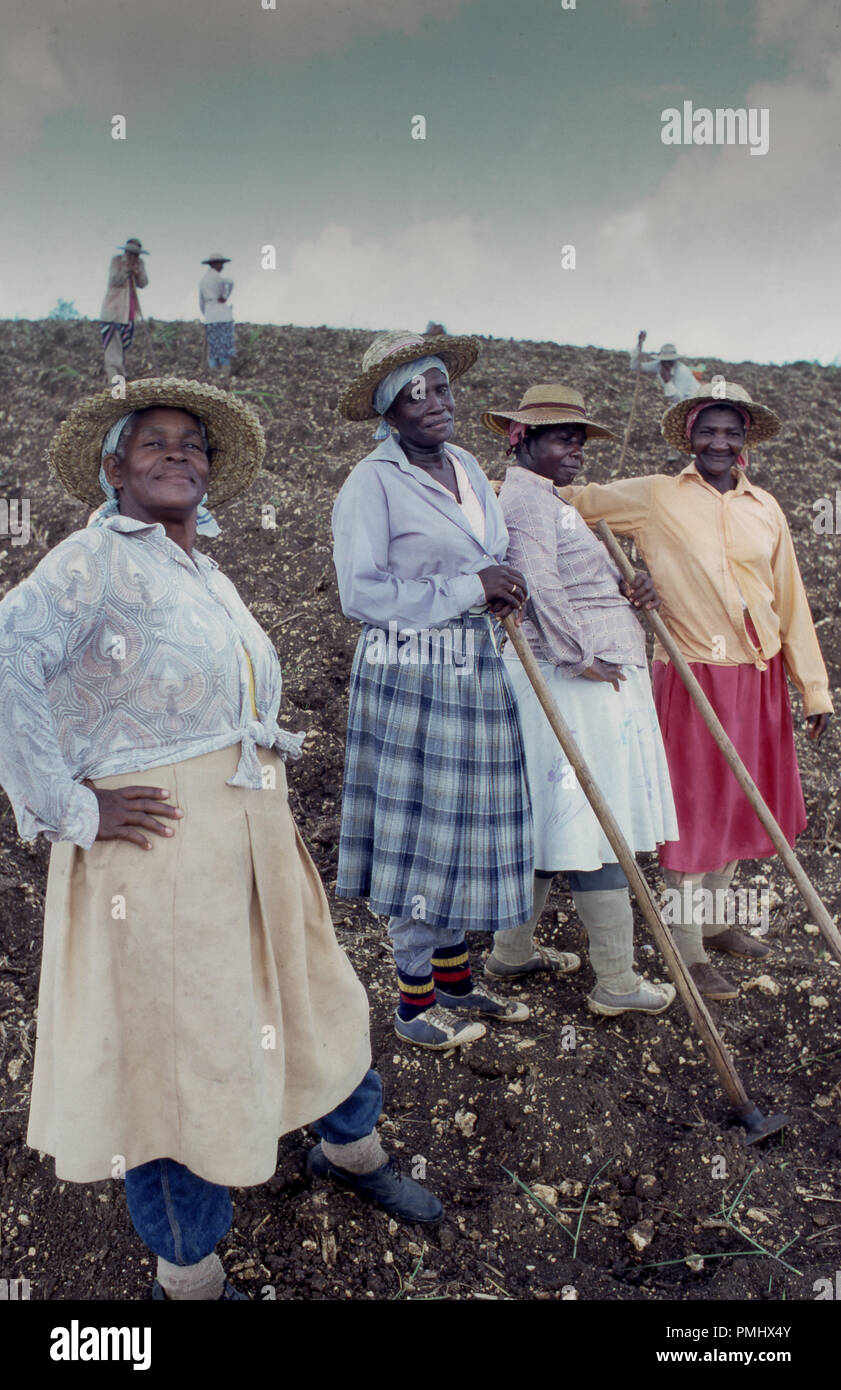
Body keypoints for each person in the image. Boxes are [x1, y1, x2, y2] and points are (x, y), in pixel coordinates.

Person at [0, 378, 440, 1302]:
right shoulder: (91, 563)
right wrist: (74, 809)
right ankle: (187, 1276)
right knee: (175, 1057)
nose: (178, 454)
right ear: (112, 466)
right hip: (156, 855)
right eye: (153, 442)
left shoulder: (204, 568)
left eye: (193, 444)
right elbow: (8, 660)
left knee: (312, 995)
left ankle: (349, 1151)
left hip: (251, 834)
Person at [562, 380, 833, 999]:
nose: (719, 441)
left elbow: (790, 602)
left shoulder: (765, 507)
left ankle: (713, 925)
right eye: (707, 431)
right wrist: (507, 487)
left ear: (744, 442)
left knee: (740, 803)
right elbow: (575, 503)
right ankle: (685, 949)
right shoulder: (656, 497)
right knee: (694, 812)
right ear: (690, 438)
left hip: (757, 679)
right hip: (691, 676)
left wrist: (812, 689)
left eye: (730, 432)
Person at [332, 330, 538, 1051]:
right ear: (389, 413)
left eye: (441, 387)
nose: (435, 402)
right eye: (415, 394)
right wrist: (465, 587)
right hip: (408, 674)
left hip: (473, 667)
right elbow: (360, 593)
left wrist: (505, 585)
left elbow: (496, 553)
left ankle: (455, 982)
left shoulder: (467, 467)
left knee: (464, 825)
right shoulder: (372, 483)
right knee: (421, 834)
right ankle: (413, 1004)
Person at [479, 385, 677, 1016]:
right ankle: (617, 982)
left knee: (554, 816)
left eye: (580, 439)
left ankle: (511, 953)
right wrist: (581, 655)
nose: (576, 451)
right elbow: (534, 583)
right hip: (570, 682)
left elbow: (564, 575)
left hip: (579, 678)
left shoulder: (551, 501)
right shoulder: (529, 501)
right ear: (521, 438)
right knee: (596, 815)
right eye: (564, 438)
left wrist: (625, 587)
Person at [99, 237, 149, 383]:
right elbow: (114, 280)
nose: (133, 256)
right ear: (126, 252)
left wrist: (137, 271)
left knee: (121, 353)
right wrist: (127, 270)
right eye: (131, 253)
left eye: (136, 254)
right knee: (114, 357)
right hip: (113, 313)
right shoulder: (117, 261)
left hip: (130, 315)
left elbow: (144, 283)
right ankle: (117, 393)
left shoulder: (140, 264)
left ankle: (120, 389)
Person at [629, 333, 699, 403]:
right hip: (682, 402)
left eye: (669, 361)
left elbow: (678, 399)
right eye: (664, 361)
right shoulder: (658, 365)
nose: (666, 364)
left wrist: (667, 381)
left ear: (674, 360)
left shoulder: (682, 371)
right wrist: (639, 344)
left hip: (695, 400)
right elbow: (635, 366)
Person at [199, 254, 236, 374]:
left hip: (210, 314)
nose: (223, 267)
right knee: (224, 345)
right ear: (216, 265)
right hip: (222, 314)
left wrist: (206, 314)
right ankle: (224, 373)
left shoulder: (203, 280)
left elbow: (201, 301)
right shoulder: (219, 278)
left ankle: (214, 372)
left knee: (214, 346)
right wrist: (225, 296)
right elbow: (231, 282)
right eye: (221, 264)